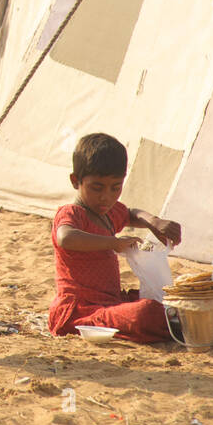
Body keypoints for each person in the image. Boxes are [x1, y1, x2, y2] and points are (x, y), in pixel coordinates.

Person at [49, 133, 181, 343]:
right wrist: (114, 243)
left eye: (115, 188)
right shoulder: (72, 213)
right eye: (97, 188)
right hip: (81, 310)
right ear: (76, 181)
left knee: (175, 300)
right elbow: (66, 237)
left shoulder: (107, 213)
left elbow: (130, 213)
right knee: (145, 313)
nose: (106, 197)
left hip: (111, 302)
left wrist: (154, 222)